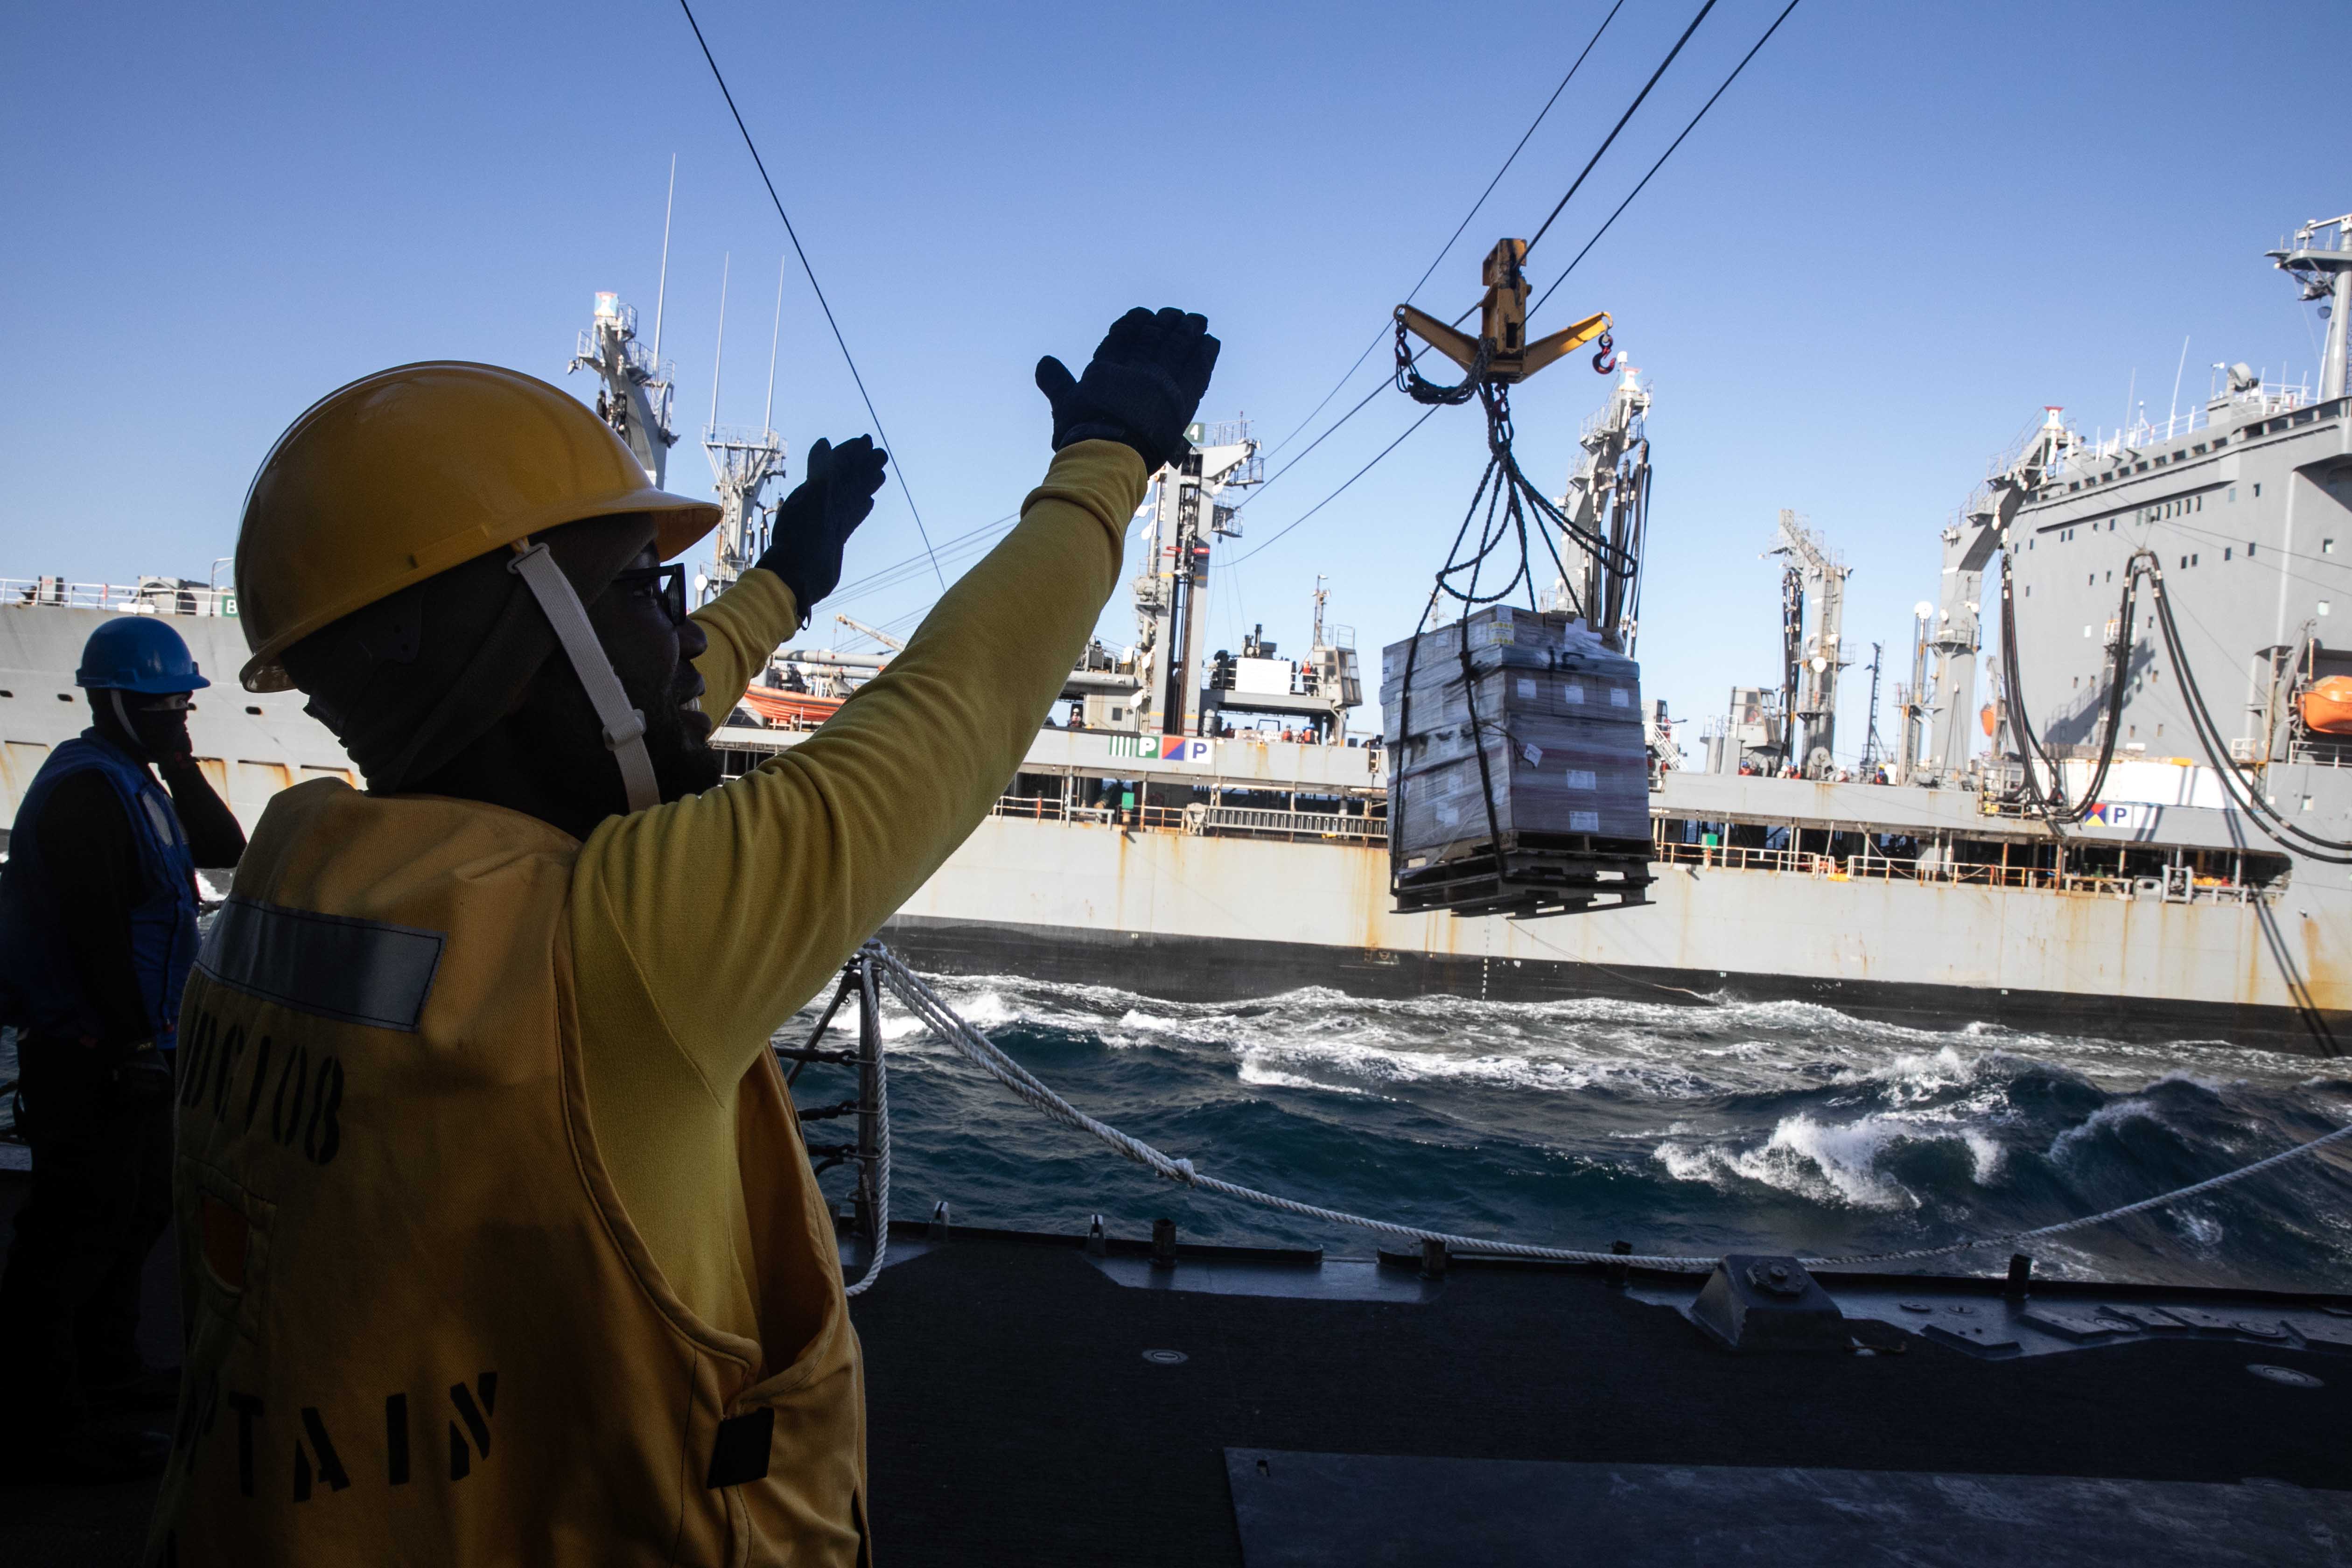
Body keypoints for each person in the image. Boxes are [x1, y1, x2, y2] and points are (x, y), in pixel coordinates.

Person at [146, 307, 1216, 1565]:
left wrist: (788, 583)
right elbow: (956, 707)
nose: (684, 633)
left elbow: (612, 700)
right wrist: (1106, 460)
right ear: (518, 643)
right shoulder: (610, 945)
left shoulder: (293, 891)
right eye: (648, 592)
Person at [0, 617, 245, 1483]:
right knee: (75, 1232)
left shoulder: (137, 780)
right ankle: (44, 1426)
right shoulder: (85, 793)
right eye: (161, 706)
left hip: (137, 1043)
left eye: (182, 704)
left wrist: (180, 762)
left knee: (137, 1212)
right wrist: (132, 1045)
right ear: (111, 703)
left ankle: (108, 1371)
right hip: (92, 1050)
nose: (177, 715)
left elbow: (225, 851)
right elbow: (93, 931)